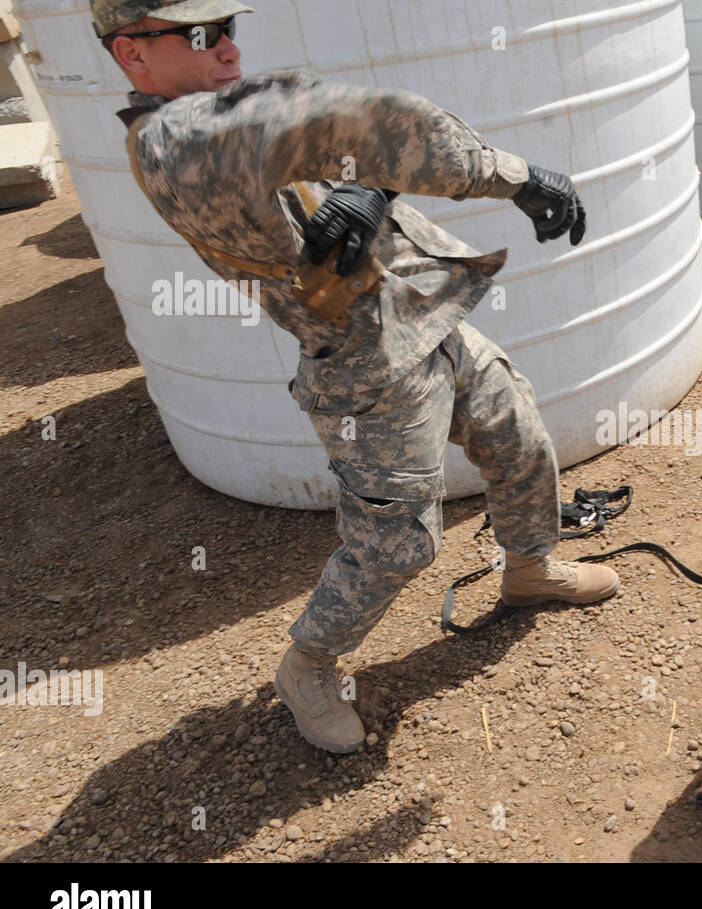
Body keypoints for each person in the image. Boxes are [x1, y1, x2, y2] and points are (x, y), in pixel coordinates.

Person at [92, 0, 620, 754]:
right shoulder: (182, 141)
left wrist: (372, 187)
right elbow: (369, 127)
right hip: (362, 364)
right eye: (202, 36)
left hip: (419, 313)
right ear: (131, 55)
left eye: (230, 28)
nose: (228, 49)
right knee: (395, 543)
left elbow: (354, 165)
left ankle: (529, 568)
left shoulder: (222, 114)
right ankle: (309, 665)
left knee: (518, 434)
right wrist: (517, 177)